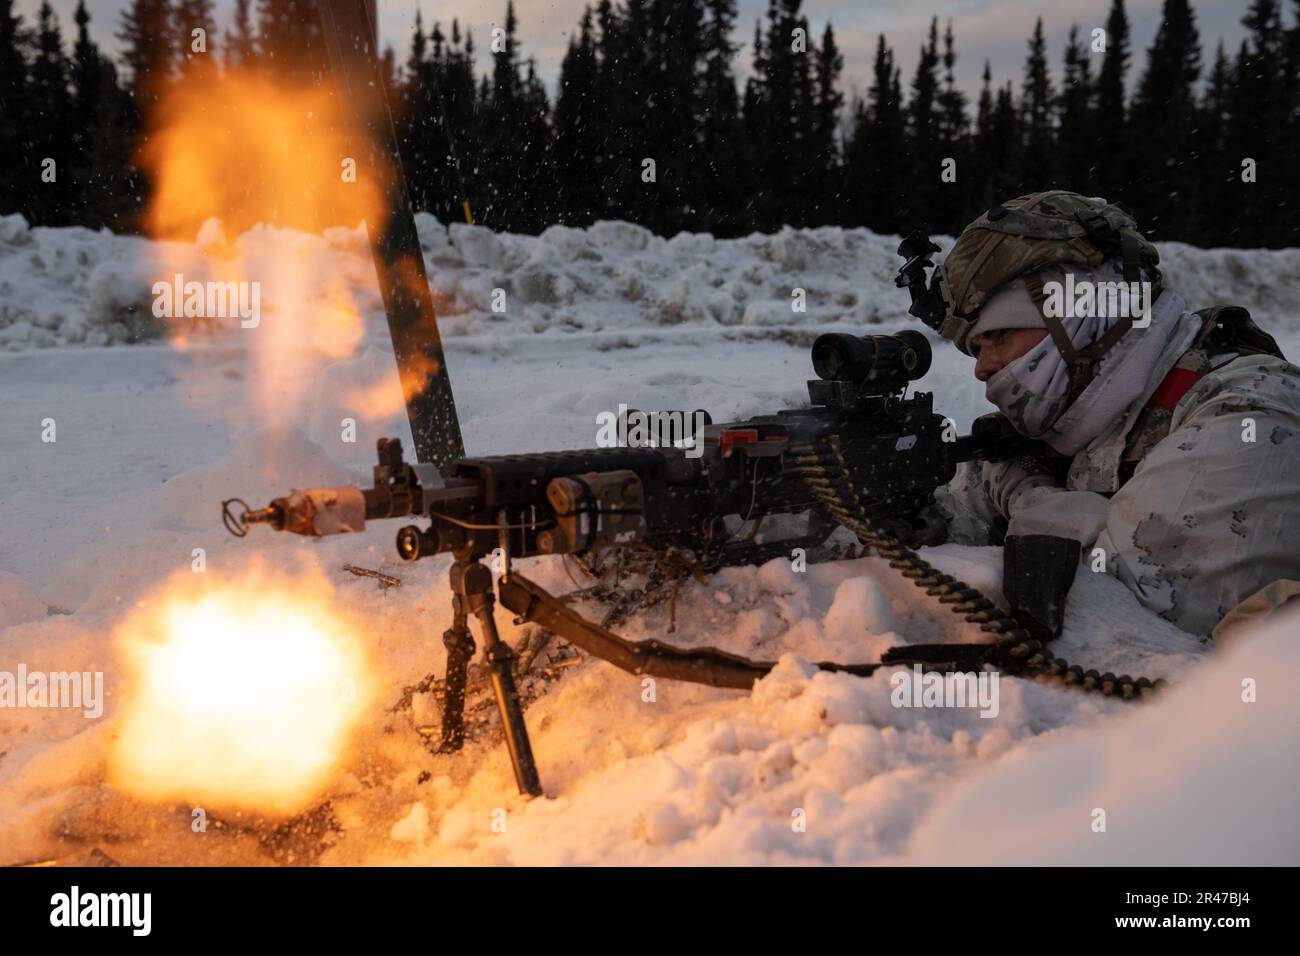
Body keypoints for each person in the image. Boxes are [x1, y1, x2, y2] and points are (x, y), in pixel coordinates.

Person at [918, 191, 1300, 640]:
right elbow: (946, 529)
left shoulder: (1250, 413)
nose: (982, 367)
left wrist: (1027, 501)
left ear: (1088, 314)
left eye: (998, 335)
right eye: (974, 349)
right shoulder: (1074, 421)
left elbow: (1140, 624)